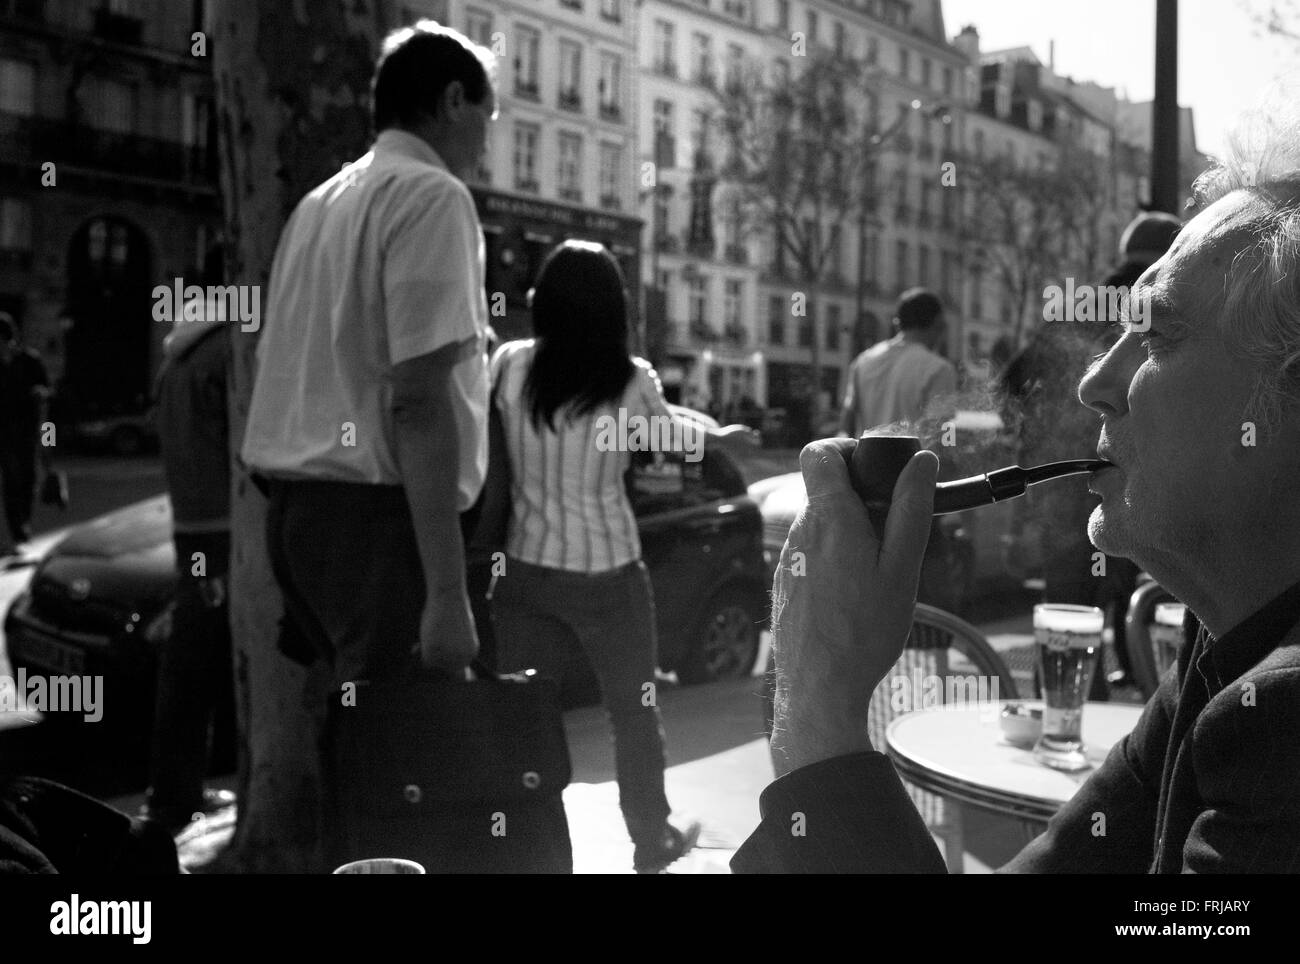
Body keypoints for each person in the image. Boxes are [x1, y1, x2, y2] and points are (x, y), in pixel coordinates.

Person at [732, 109, 1300, 873]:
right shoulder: (1217, 646)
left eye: (1158, 335)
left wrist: (819, 720)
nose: (1096, 383)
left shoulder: (1279, 718)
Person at [240, 22, 495, 865]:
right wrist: (449, 594)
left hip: (300, 518)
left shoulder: (320, 203)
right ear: (454, 101)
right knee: (405, 769)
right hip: (381, 530)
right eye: (485, 116)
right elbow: (418, 402)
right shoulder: (433, 198)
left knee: (355, 751)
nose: (487, 143)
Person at [487, 241, 701, 873]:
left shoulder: (507, 365)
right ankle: (649, 840)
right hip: (610, 571)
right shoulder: (632, 379)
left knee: (526, 719)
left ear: (541, 303)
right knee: (633, 712)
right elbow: (666, 444)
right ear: (615, 309)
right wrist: (715, 433)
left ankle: (530, 846)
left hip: (526, 570)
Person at [999, 212, 1182, 695]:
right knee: (1116, 595)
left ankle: (1061, 704)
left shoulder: (1080, 302)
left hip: (1058, 480)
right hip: (1125, 476)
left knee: (1065, 607)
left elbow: (1012, 384)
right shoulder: (1166, 304)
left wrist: (1040, 438)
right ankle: (1103, 699)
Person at [140, 294, 237, 834]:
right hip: (224, 526)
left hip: (191, 525)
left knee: (189, 658)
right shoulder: (228, 352)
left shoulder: (177, 357)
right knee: (203, 659)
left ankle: (174, 791)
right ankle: (178, 797)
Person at [839, 288, 960, 612]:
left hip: (866, 499)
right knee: (928, 608)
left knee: (870, 603)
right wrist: (952, 507)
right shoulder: (938, 369)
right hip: (915, 499)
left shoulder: (863, 362)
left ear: (897, 322)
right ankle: (926, 661)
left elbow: (847, 425)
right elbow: (942, 440)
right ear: (935, 325)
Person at [0, 313, 50, 550]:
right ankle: (18, 531)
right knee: (12, 480)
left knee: (28, 479)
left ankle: (24, 524)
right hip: (4, 430)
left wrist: (41, 392)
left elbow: (47, 387)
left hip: (27, 428)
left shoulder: (29, 360)